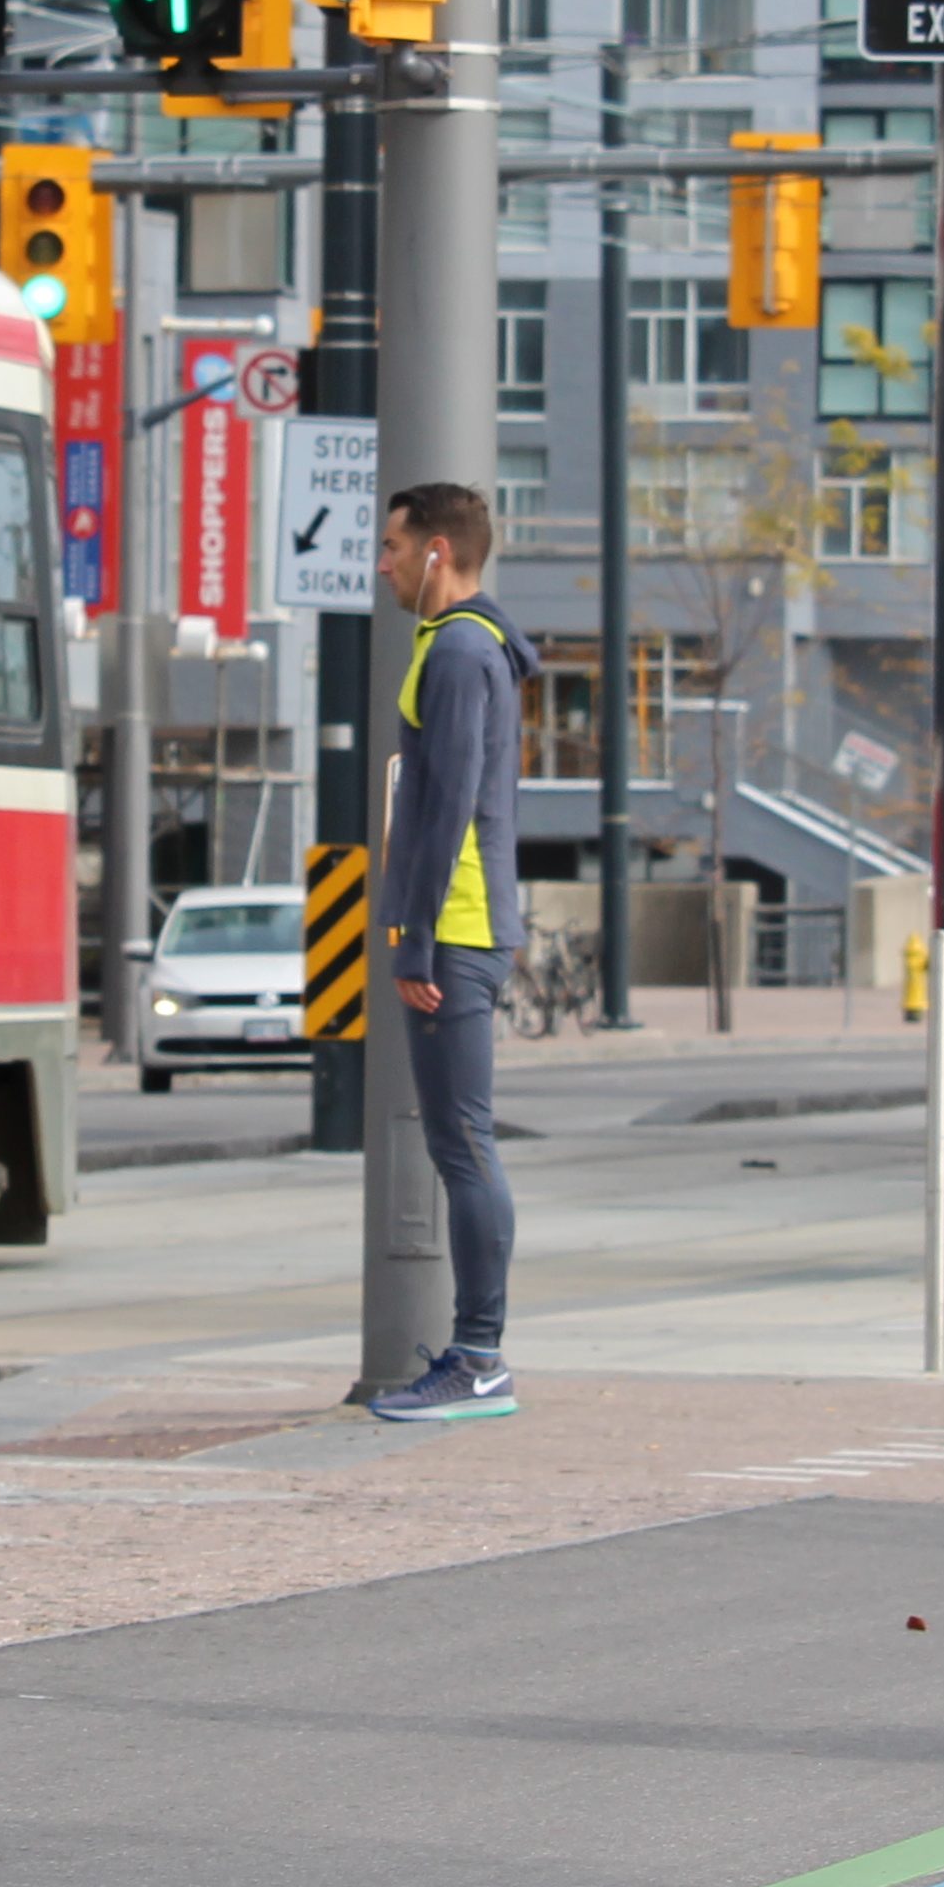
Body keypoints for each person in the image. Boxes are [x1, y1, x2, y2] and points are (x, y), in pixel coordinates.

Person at [366, 481, 539, 1424]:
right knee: (458, 1142)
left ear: (439, 552)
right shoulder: (459, 645)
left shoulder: (463, 649)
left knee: (464, 1144)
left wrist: (416, 939)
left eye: (394, 546)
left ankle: (479, 1359)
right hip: (460, 925)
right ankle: (476, 1355)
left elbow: (447, 805)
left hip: (458, 929)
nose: (383, 562)